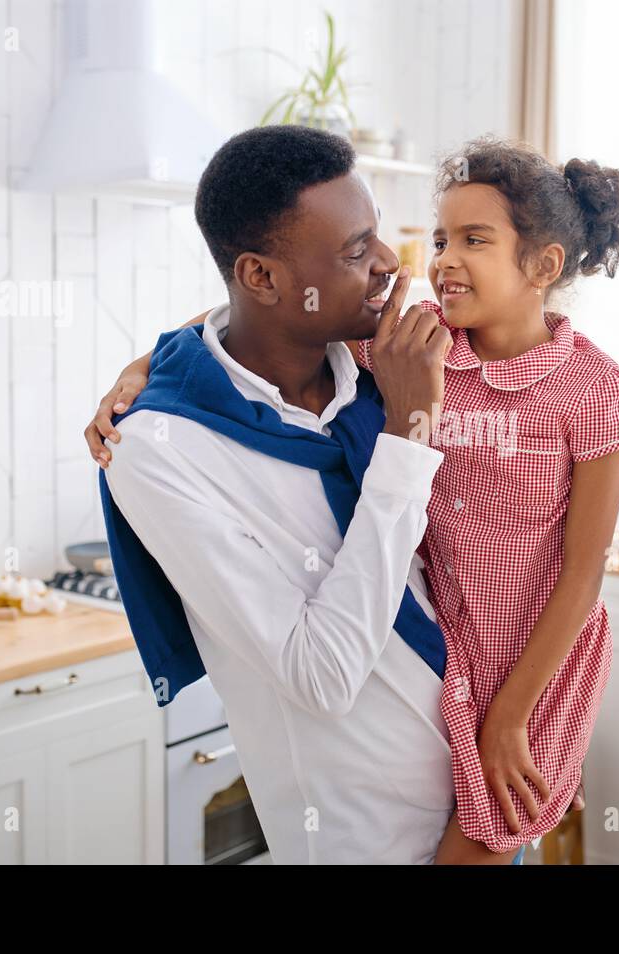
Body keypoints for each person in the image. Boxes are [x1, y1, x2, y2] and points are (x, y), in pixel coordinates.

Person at [91, 136, 619, 863]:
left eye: (471, 240)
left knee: (494, 833)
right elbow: (250, 318)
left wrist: (515, 717)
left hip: (525, 677)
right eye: (438, 238)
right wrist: (151, 365)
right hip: (414, 741)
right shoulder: (413, 354)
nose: (416, 262)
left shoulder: (569, 384)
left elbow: (584, 571)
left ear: (543, 266)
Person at [97, 125, 456, 863]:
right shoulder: (162, 449)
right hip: (368, 840)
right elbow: (320, 677)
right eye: (357, 251)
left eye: (377, 237)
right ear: (261, 277)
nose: (390, 264)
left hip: (488, 794)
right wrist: (408, 438)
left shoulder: (377, 358)